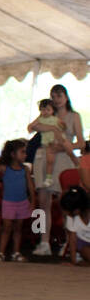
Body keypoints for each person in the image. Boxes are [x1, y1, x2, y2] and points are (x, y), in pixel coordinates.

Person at [29, 86, 85, 257]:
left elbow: (81, 144)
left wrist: (65, 146)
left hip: (63, 158)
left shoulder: (74, 116)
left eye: (59, 95)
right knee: (43, 202)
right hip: (43, 157)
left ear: (66, 97)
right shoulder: (46, 114)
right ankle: (44, 242)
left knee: (66, 203)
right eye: (53, 96)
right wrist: (50, 128)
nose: (56, 99)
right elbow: (33, 127)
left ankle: (70, 243)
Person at [0, 139, 35, 262]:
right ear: (13, 154)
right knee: (7, 227)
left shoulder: (25, 170)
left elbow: (31, 187)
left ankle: (16, 252)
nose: (25, 155)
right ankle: (1, 252)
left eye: (25, 152)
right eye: (22, 152)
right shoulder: (4, 168)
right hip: (8, 203)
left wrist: (32, 202)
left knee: (18, 228)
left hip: (22, 202)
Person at [59, 186, 90, 264]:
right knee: (85, 250)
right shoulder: (71, 218)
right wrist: (73, 262)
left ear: (76, 210)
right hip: (83, 244)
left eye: (67, 211)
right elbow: (73, 241)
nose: (65, 214)